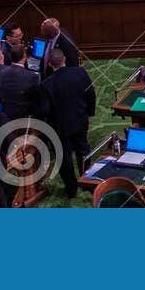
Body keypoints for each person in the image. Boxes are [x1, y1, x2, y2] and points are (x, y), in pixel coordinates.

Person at [37, 48, 96, 197]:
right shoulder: (80, 72)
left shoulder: (46, 84)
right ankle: (87, 180)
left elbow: (44, 111)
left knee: (64, 157)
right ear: (64, 60)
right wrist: (89, 113)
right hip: (80, 120)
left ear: (50, 64)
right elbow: (91, 94)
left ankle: (71, 188)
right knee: (83, 150)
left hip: (60, 127)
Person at [0, 43, 40, 119]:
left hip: (4, 113)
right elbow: (35, 99)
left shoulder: (2, 70)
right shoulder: (33, 76)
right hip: (22, 116)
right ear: (25, 57)